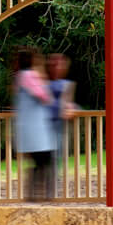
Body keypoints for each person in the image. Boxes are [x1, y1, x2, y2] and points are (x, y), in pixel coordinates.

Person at [11, 47, 55, 201]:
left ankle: (34, 194)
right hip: (35, 128)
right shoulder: (30, 75)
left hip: (27, 127)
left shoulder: (19, 76)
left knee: (40, 161)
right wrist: (42, 76)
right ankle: (42, 195)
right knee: (45, 160)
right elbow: (45, 96)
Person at [46, 53, 75, 199]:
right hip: (44, 123)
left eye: (60, 64)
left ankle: (52, 189)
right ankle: (46, 187)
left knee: (56, 156)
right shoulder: (44, 83)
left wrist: (71, 108)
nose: (57, 67)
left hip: (58, 123)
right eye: (54, 64)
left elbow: (70, 103)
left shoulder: (67, 84)